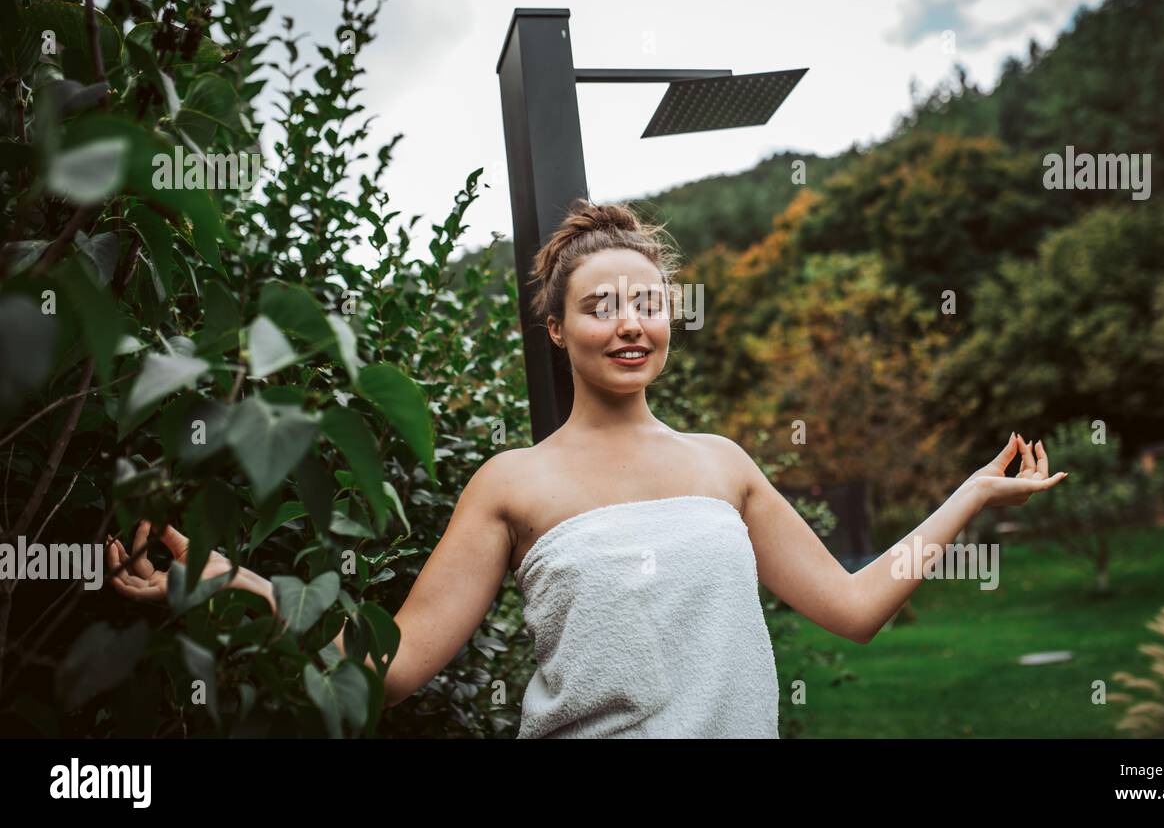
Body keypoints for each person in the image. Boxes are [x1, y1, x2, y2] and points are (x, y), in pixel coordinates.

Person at [108, 199, 1067, 737]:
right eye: (602, 304)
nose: (630, 321)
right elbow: (391, 666)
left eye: (648, 301)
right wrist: (218, 579)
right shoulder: (512, 482)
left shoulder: (723, 465)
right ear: (558, 327)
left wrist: (971, 493)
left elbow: (854, 609)